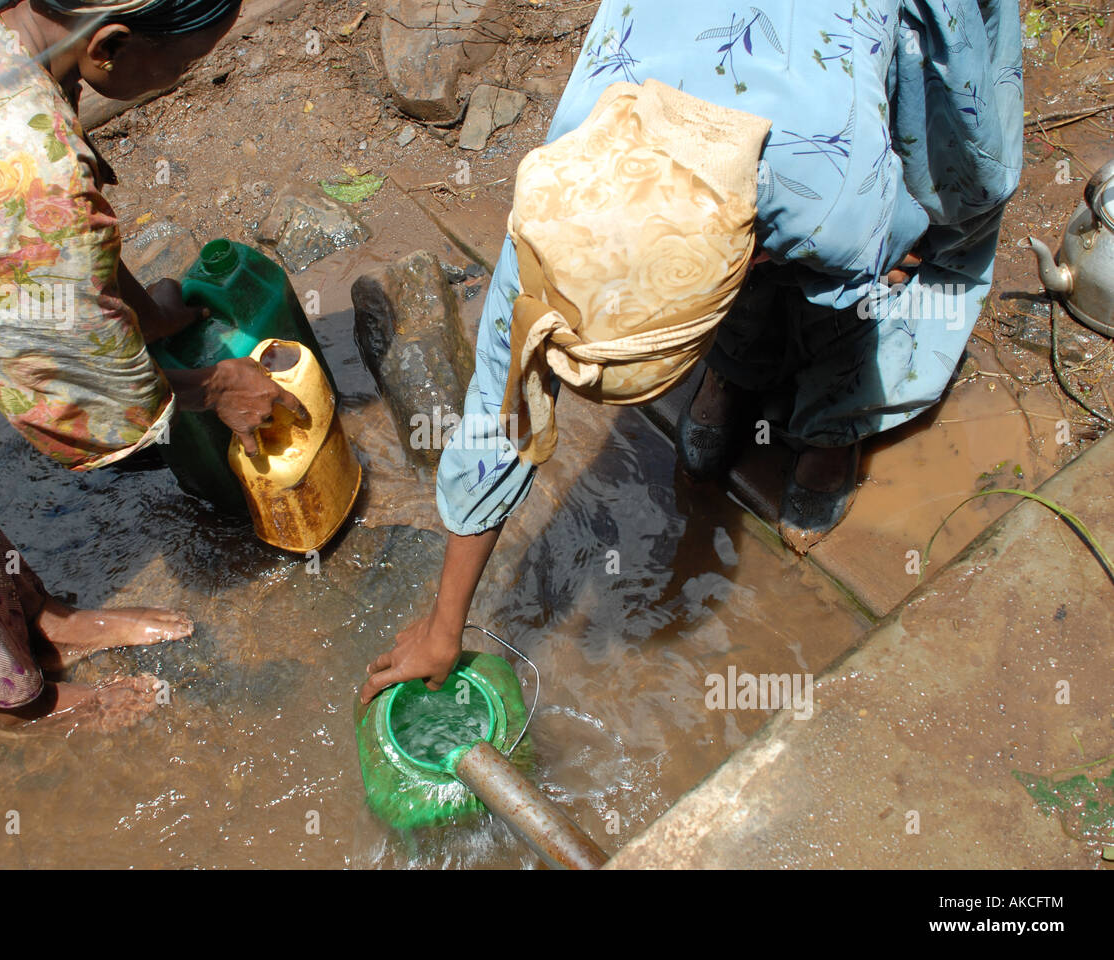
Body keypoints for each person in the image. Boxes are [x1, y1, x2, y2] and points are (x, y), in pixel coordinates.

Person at [361, 0, 1023, 702]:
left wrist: (908, 243)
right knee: (768, 268)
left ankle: (831, 421)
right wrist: (444, 622)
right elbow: (502, 403)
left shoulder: (838, 205)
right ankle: (738, 370)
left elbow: (874, 244)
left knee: (896, 249)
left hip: (837, 79)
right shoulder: (566, 190)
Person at [0, 0, 303, 729]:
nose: (188, 74)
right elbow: (85, 389)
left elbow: (58, 263)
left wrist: (151, 313)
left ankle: (39, 618)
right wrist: (214, 386)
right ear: (108, 46)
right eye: (190, 62)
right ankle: (22, 702)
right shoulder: (22, 172)